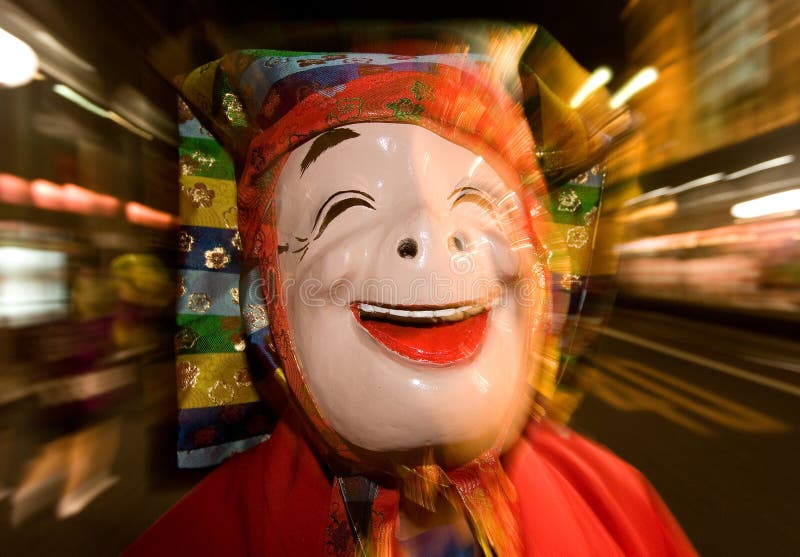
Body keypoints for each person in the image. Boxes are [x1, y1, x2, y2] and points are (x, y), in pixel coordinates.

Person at [125, 21, 698, 556]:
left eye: (481, 204)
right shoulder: (197, 540)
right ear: (263, 305)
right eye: (344, 208)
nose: (427, 231)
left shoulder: (625, 512)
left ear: (543, 280)